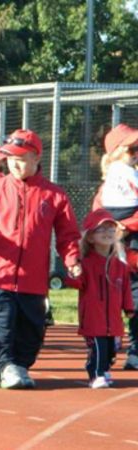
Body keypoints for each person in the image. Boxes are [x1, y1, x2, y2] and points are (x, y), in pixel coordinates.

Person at [0, 129, 82, 389]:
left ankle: (19, 365)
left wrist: (72, 260)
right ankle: (4, 366)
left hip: (33, 281)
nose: (14, 163)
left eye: (21, 158)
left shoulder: (54, 195)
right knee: (3, 322)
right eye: (10, 158)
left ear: (36, 158)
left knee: (32, 330)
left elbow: (67, 235)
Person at [65, 209, 135, 388]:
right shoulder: (86, 263)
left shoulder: (120, 265)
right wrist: (74, 273)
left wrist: (128, 308)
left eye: (111, 229)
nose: (107, 233)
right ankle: (96, 374)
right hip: (93, 318)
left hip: (113, 319)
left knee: (112, 350)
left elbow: (125, 288)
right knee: (98, 347)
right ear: (90, 237)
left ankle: (103, 369)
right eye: (101, 229)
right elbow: (76, 283)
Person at [98, 124, 138, 370]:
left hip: (134, 254)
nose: (136, 153)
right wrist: (110, 229)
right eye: (131, 149)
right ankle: (107, 342)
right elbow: (95, 219)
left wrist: (126, 225)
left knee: (136, 302)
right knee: (106, 300)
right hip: (110, 257)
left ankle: (135, 350)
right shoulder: (107, 187)